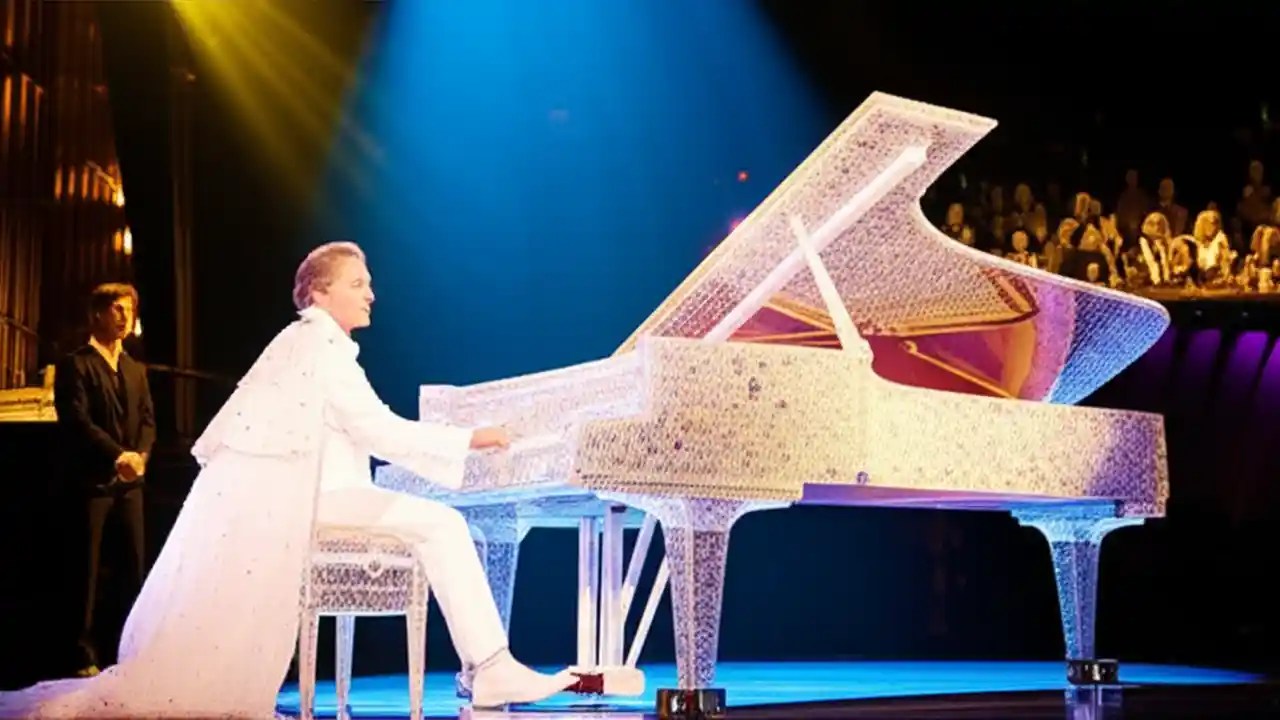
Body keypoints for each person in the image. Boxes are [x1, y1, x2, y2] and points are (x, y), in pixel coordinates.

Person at [0, 242, 579, 717]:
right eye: (358, 283)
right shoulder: (319, 347)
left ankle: (489, 666)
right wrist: (472, 439)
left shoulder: (308, 342)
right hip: (316, 502)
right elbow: (378, 429)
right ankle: (492, 666)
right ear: (320, 291)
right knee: (443, 523)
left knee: (437, 525)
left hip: (321, 496)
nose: (371, 292)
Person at [51, 283, 155, 678]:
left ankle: (125, 650)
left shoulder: (135, 368)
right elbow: (77, 421)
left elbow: (148, 421)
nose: (124, 317)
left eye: (129, 309)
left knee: (133, 567)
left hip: (130, 485)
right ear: (97, 315)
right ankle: (80, 654)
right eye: (116, 309)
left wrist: (140, 458)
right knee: (87, 571)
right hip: (92, 482)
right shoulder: (75, 364)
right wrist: (118, 456)